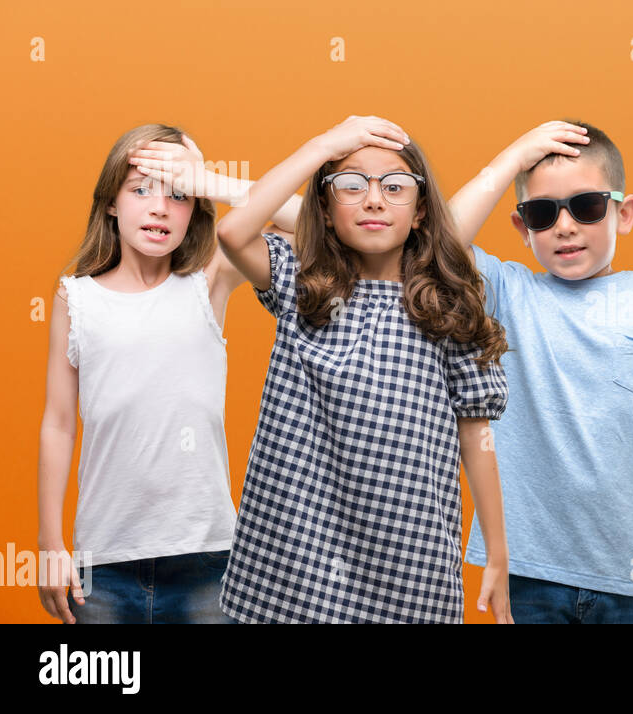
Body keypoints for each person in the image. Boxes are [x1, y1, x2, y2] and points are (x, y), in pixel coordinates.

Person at [214, 115, 520, 623]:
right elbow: (232, 230)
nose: (374, 199)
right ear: (326, 210)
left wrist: (498, 551)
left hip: (409, 562)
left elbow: (476, 433)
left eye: (395, 187)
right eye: (351, 186)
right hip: (295, 558)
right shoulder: (301, 284)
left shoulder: (447, 306)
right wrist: (322, 146)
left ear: (421, 212)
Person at [447, 120, 633, 623]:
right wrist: (513, 157)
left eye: (588, 206)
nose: (565, 226)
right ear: (522, 227)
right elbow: (437, 246)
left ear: (624, 212)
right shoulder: (508, 293)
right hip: (530, 572)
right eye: (542, 212)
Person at [37, 123, 301, 623]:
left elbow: (315, 223)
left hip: (210, 558)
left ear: (194, 210)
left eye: (178, 194)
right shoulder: (76, 297)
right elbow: (58, 423)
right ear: (111, 203)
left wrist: (212, 181)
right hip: (104, 562)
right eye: (140, 190)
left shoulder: (209, 281)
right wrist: (50, 544)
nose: (159, 207)